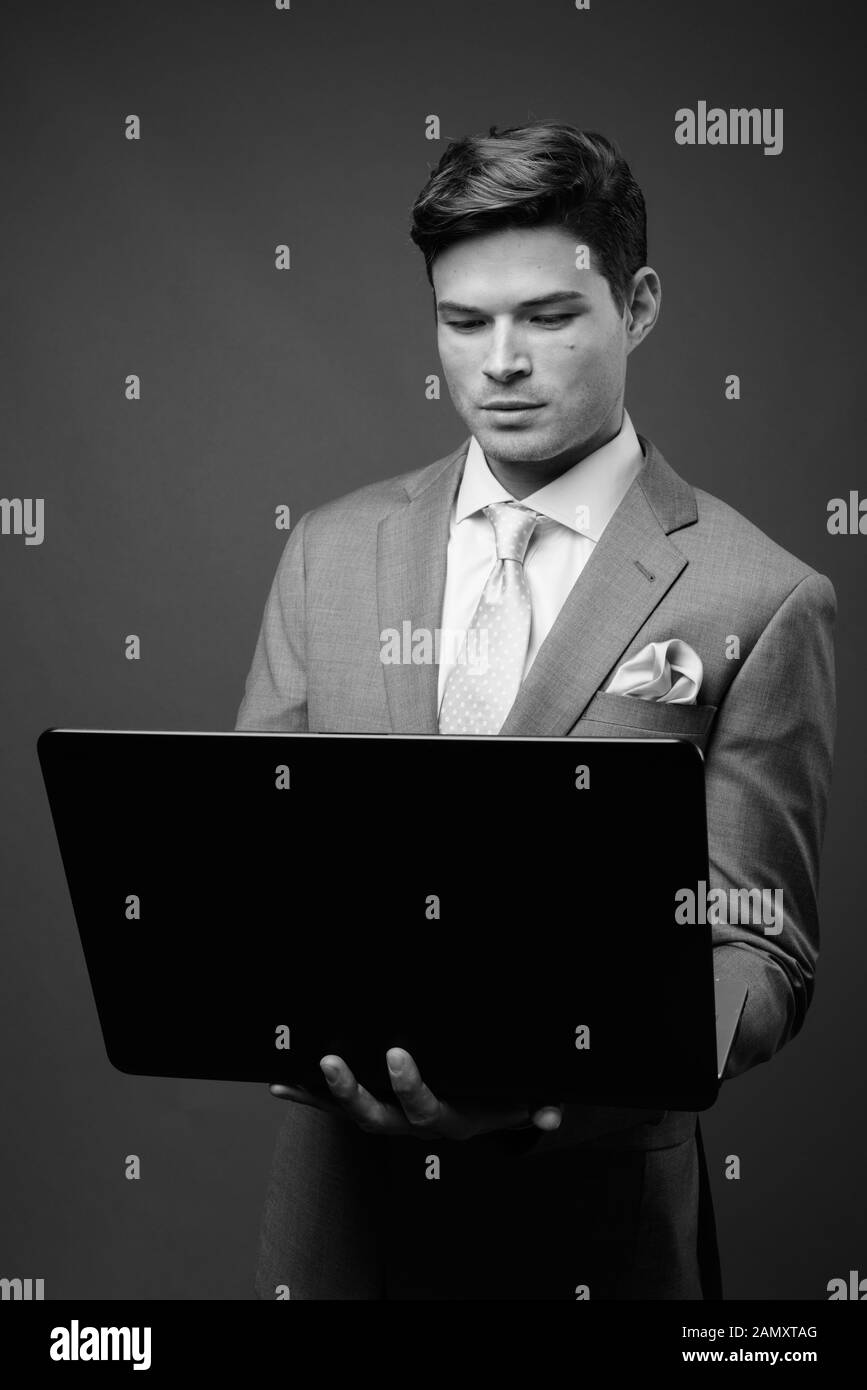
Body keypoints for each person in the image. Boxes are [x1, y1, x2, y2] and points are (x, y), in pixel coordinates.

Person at [235, 122, 836, 1299]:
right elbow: (261, 854)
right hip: (341, 1230)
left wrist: (565, 1081)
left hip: (596, 1234)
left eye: (549, 317)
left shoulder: (764, 598)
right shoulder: (328, 552)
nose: (500, 361)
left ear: (640, 303)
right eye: (464, 322)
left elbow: (759, 945)